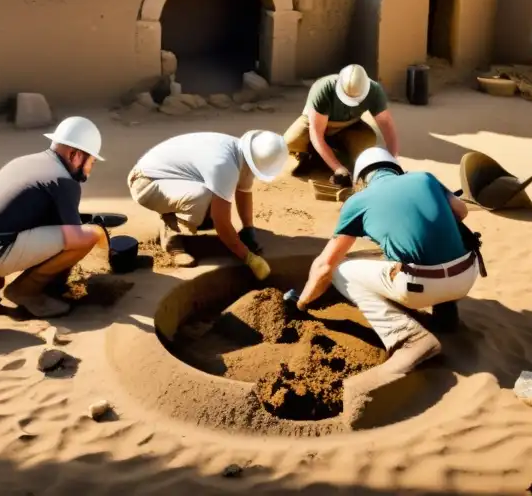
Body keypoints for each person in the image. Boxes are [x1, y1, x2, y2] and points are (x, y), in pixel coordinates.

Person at [291, 148, 484, 376]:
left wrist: (301, 303)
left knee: (340, 270)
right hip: (467, 275)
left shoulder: (357, 201)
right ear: (396, 169)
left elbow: (324, 266)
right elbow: (461, 211)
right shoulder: (424, 178)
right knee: (432, 242)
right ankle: (446, 316)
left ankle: (406, 337)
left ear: (361, 179)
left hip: (420, 287)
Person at [0, 117, 109, 319]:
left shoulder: (25, 161)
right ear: (75, 155)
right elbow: (74, 236)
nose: (89, 170)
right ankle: (26, 291)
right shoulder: (64, 180)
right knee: (88, 235)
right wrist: (103, 238)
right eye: (91, 162)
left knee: (51, 229)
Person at [126, 129, 287, 277]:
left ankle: (188, 217)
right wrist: (248, 257)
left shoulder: (242, 153)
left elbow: (244, 190)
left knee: (212, 202)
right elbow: (221, 221)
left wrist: (248, 229)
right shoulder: (223, 165)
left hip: (171, 178)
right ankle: (171, 234)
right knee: (204, 197)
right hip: (146, 183)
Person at [283, 64, 399, 188]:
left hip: (349, 125)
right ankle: (310, 157)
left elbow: (387, 127)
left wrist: (393, 163)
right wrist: (338, 169)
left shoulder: (374, 90)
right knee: (290, 141)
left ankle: (337, 158)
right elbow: (316, 134)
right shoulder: (323, 88)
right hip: (317, 123)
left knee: (367, 143)